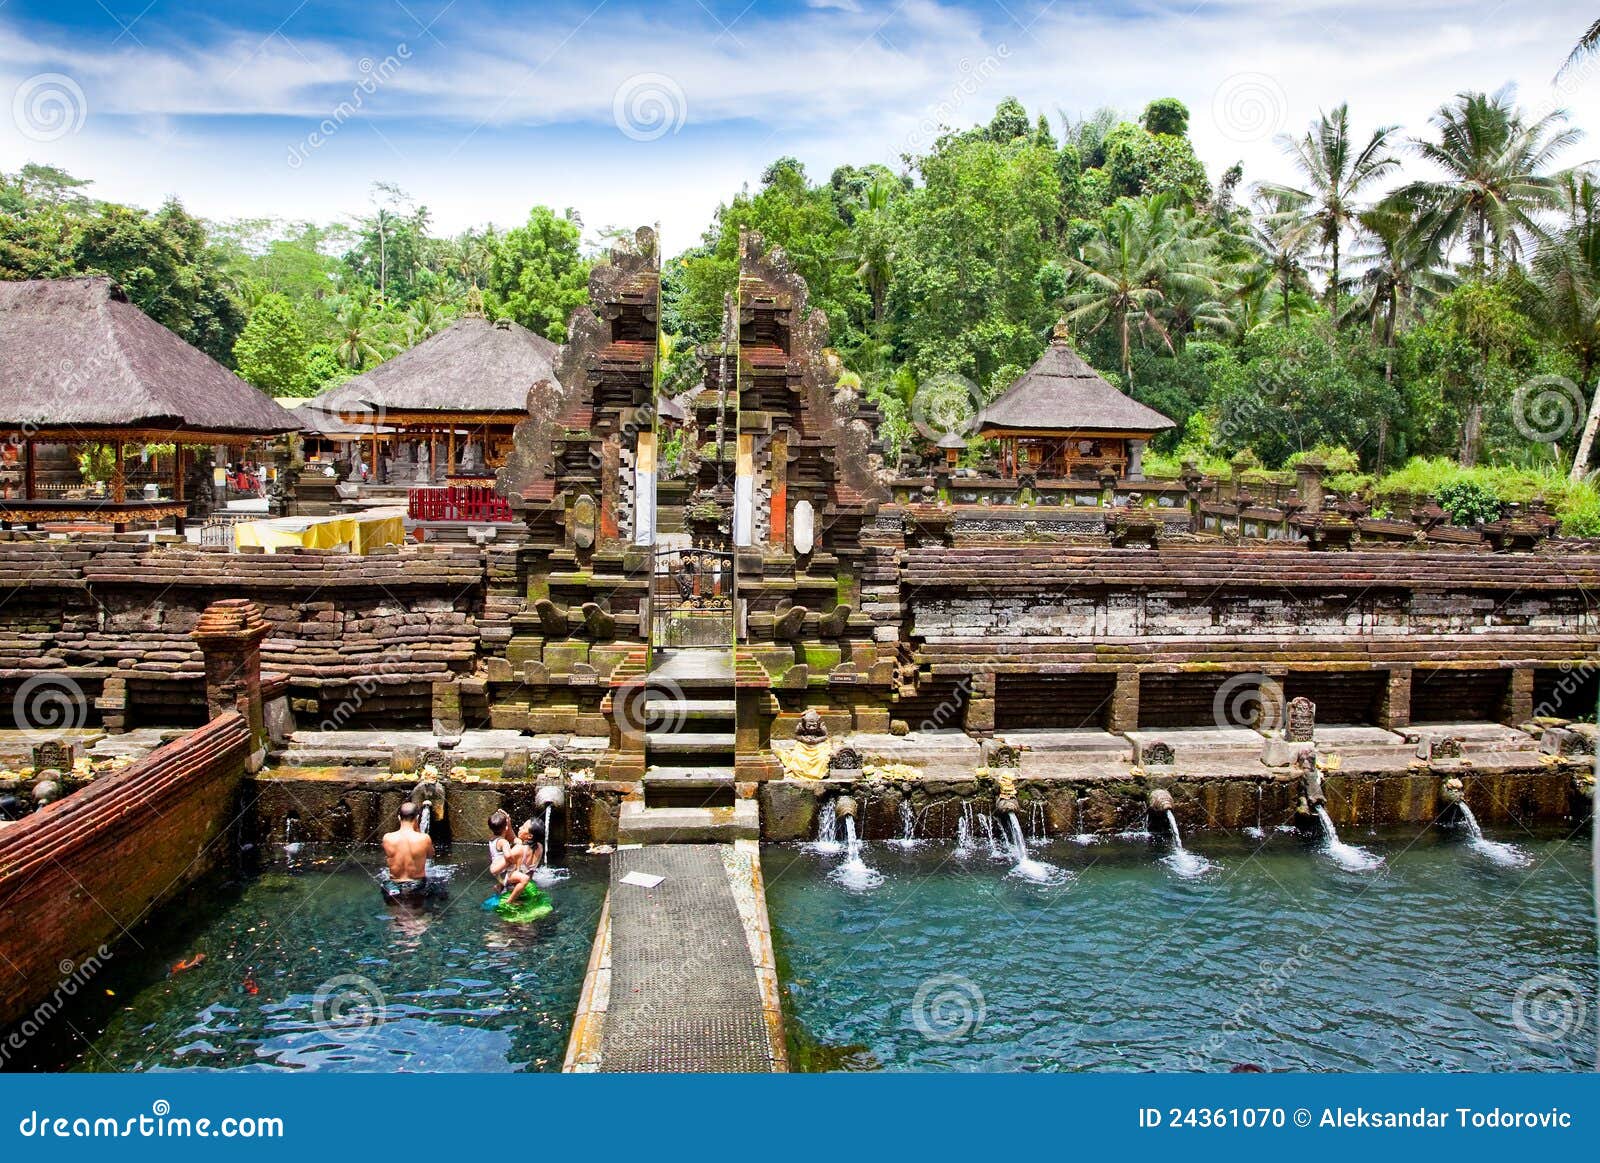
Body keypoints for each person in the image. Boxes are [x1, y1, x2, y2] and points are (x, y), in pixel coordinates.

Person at [381, 802, 435, 902]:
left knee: (395, 913)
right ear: (417, 818)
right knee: (419, 913)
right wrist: (417, 828)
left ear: (398, 817)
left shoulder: (387, 838)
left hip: (393, 885)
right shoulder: (424, 838)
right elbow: (430, 856)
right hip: (417, 885)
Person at [502, 819, 545, 906]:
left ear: (529, 836)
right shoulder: (540, 847)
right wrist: (509, 825)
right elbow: (515, 839)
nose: (520, 827)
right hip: (527, 884)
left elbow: (501, 867)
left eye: (523, 827)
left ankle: (509, 902)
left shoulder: (519, 849)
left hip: (512, 884)